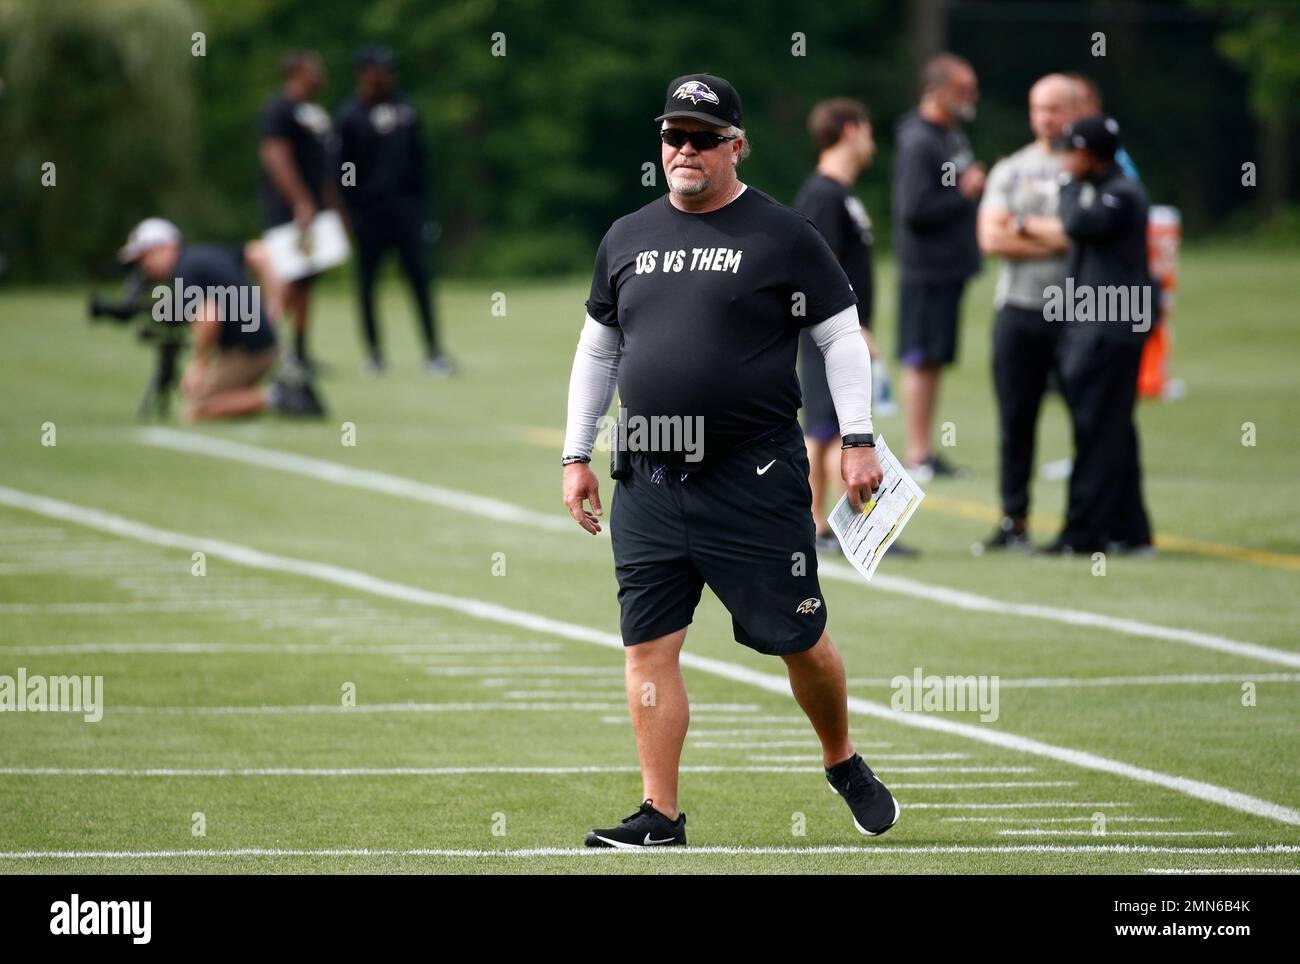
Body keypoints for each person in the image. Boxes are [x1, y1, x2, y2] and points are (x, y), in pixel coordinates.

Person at [561, 73, 898, 848]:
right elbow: (598, 347)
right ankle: (660, 815)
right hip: (647, 471)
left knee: (799, 642)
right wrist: (577, 452)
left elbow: (841, 337)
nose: (685, 149)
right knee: (648, 646)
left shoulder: (782, 234)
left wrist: (856, 439)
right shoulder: (626, 235)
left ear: (734, 146)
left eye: (703, 138)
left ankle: (840, 757)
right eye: (674, 136)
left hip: (752, 474)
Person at [793, 98, 911, 557]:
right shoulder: (823, 194)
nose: (872, 142)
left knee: (837, 425)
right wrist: (852, 327)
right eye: (868, 131)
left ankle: (839, 526)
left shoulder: (841, 193)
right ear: (849, 130)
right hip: (830, 330)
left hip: (843, 329)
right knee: (826, 427)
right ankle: (819, 527)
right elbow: (819, 268)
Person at [975, 74, 1082, 551]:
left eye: (1057, 108)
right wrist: (1056, 234)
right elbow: (991, 238)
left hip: (1080, 311)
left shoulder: (1090, 168)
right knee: (1016, 421)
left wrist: (1023, 228)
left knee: (1089, 420)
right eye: (1039, 108)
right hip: (1018, 310)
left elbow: (1086, 233)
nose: (1047, 117)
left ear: (1078, 110)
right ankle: (1013, 521)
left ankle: (1084, 525)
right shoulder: (1012, 169)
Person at [1041, 116, 1153, 555]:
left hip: (1112, 327)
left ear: (1088, 154)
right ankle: (1131, 530)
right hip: (1103, 324)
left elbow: (1077, 224)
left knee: (1096, 432)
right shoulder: (1111, 189)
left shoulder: (1120, 194)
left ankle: (1083, 535)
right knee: (1113, 431)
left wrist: (1067, 184)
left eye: (1071, 153)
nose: (1065, 161)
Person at [117, 218, 324, 421]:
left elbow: (209, 315)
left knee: (195, 410)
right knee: (205, 397)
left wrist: (198, 365)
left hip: (249, 352)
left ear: (165, 247)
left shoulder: (184, 270)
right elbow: (262, 254)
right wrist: (273, 306)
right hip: (257, 345)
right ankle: (262, 396)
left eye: (145, 257)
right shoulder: (201, 255)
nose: (144, 267)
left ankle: (278, 396)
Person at [892, 53, 984, 481]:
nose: (971, 97)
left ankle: (926, 450)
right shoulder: (919, 140)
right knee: (920, 357)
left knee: (935, 359)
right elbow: (914, 208)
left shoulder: (951, 136)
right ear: (936, 90)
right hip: (925, 269)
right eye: (962, 89)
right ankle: (916, 454)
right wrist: (965, 193)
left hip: (949, 268)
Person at [336, 45, 455, 376]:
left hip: (407, 213)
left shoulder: (405, 109)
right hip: (369, 215)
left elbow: (420, 162)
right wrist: (349, 214)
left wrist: (425, 211)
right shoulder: (350, 116)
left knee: (420, 281)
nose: (387, 75)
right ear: (364, 73)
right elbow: (342, 170)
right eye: (380, 70)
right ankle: (374, 354)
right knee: (367, 285)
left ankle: (433, 352)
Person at [258, 50, 339, 374]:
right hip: (290, 210)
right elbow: (275, 156)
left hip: (314, 210)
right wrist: (300, 200)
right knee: (286, 279)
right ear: (296, 73)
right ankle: (260, 347)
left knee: (305, 279)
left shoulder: (313, 113)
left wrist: (331, 207)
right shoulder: (279, 109)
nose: (321, 74)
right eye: (314, 69)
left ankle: (300, 353)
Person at [1065, 73, 1140, 181]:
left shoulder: (1108, 150)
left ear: (1095, 105)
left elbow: (1128, 184)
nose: (1076, 109)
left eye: (1081, 102)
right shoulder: (1034, 154)